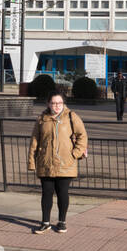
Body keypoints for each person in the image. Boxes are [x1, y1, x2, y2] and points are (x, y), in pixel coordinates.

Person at [27, 87, 88, 235]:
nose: (56, 106)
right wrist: (31, 161)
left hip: (65, 162)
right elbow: (35, 140)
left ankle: (62, 221)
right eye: (53, 103)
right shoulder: (42, 119)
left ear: (63, 103)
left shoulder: (71, 116)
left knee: (63, 193)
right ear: (48, 103)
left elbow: (82, 135)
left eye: (59, 103)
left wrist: (75, 153)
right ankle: (45, 222)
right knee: (46, 193)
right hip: (46, 162)